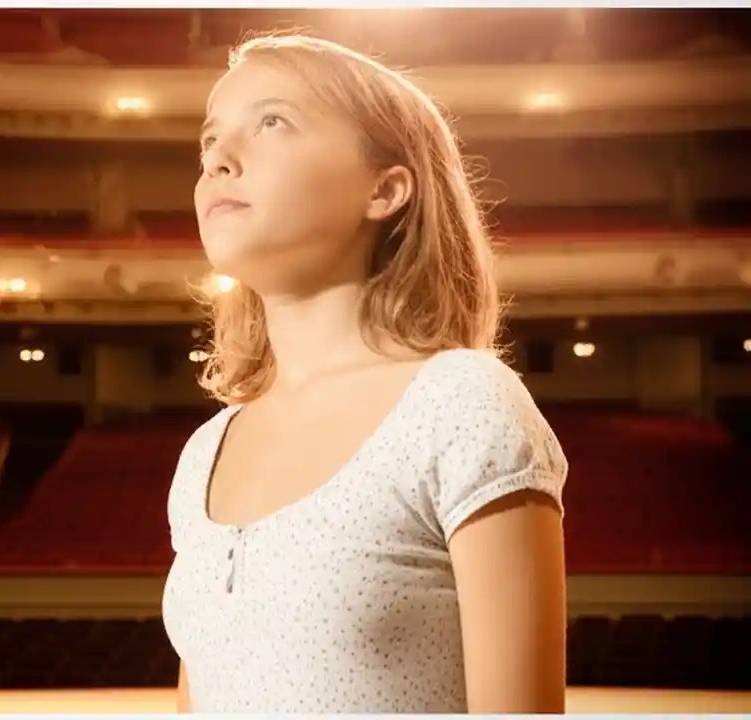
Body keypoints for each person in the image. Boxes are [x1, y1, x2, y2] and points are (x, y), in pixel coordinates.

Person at [161, 33, 569, 714]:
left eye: (272, 122)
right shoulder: (206, 449)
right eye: (209, 142)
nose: (218, 163)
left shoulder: (461, 402)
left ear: (385, 189)